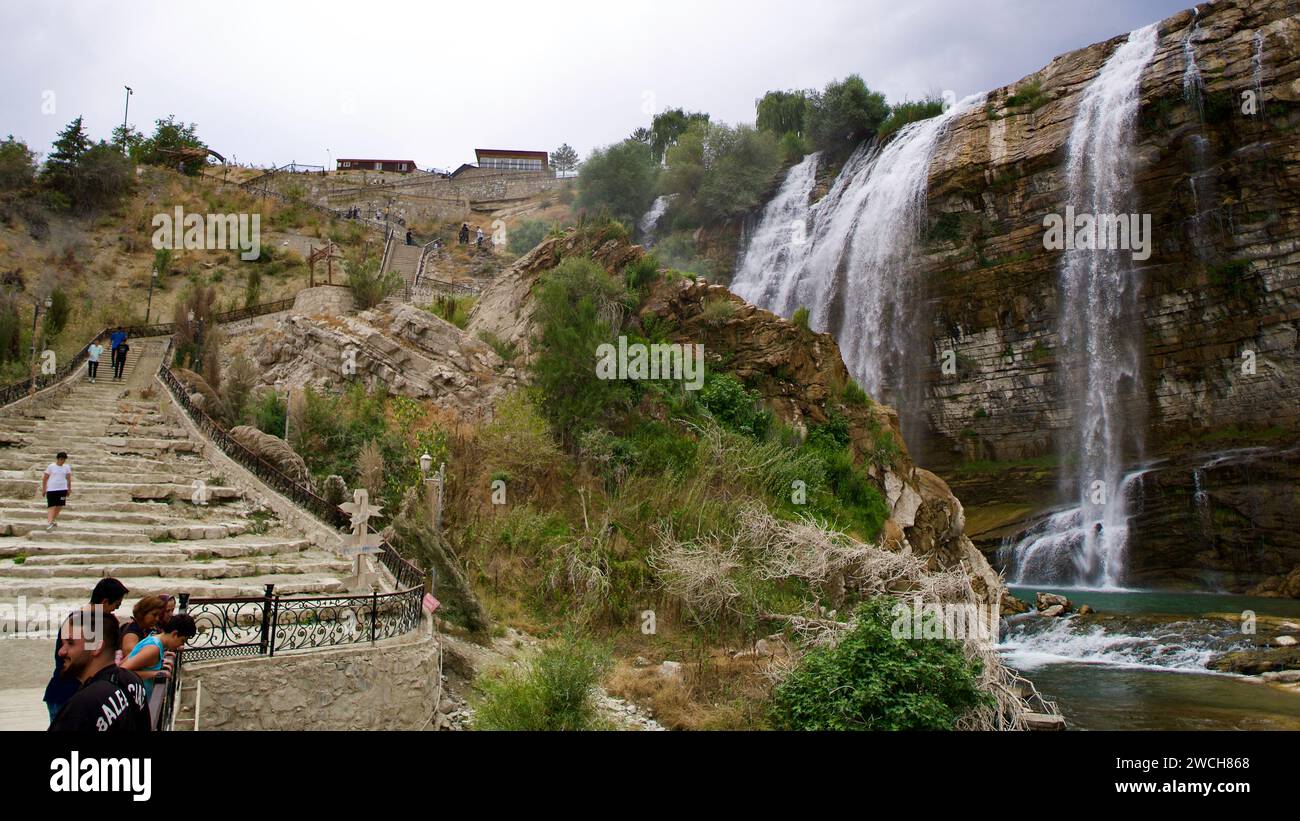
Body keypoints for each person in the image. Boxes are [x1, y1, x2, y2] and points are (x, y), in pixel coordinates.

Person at [48, 611, 151, 732]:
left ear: (96, 647)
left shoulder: (83, 705)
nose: (61, 651)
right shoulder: (131, 679)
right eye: (62, 643)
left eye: (70, 643)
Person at [44, 578, 128, 724]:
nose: (115, 610)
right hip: (67, 693)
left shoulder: (87, 620)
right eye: (116, 605)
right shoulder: (82, 623)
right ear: (104, 602)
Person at [121, 614, 196, 699]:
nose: (181, 645)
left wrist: (160, 660)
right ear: (175, 634)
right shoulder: (153, 649)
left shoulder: (155, 642)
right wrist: (155, 674)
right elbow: (121, 671)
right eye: (182, 640)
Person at [41, 451, 72, 531]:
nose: (62, 461)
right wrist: (44, 489)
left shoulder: (67, 467)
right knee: (51, 505)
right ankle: (50, 522)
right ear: (58, 459)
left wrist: (69, 489)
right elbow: (45, 478)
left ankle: (52, 520)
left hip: (62, 489)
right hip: (51, 489)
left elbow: (68, 479)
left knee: (59, 505)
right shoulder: (51, 466)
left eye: (64, 459)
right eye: (61, 459)